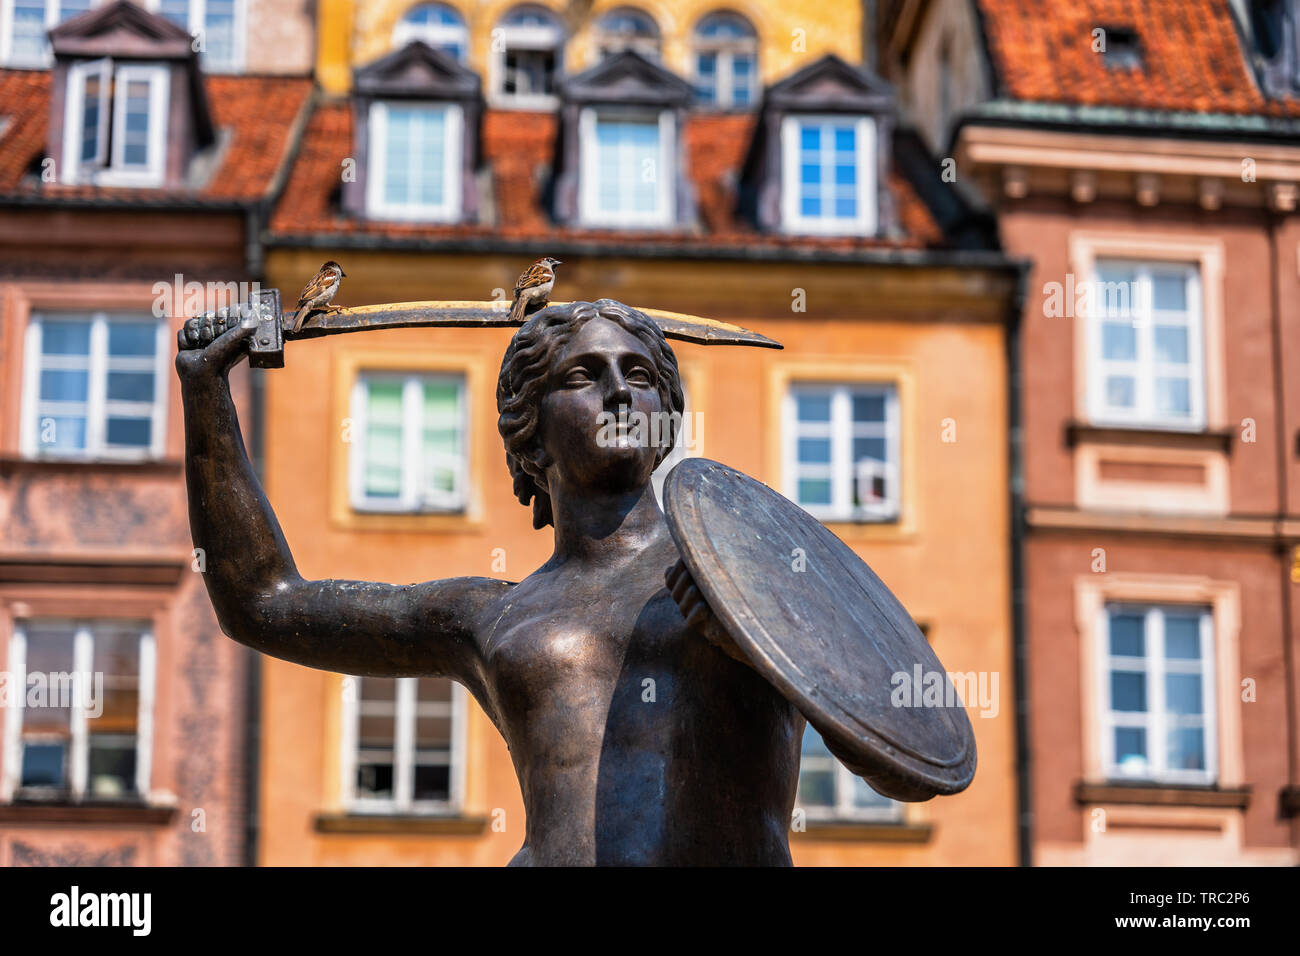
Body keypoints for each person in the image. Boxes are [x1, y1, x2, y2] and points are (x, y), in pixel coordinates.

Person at [176, 298, 805, 865]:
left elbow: (898, 754)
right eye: (583, 376)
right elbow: (261, 602)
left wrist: (757, 639)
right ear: (530, 433)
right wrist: (206, 392)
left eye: (639, 376)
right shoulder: (493, 616)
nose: (619, 392)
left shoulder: (744, 574)